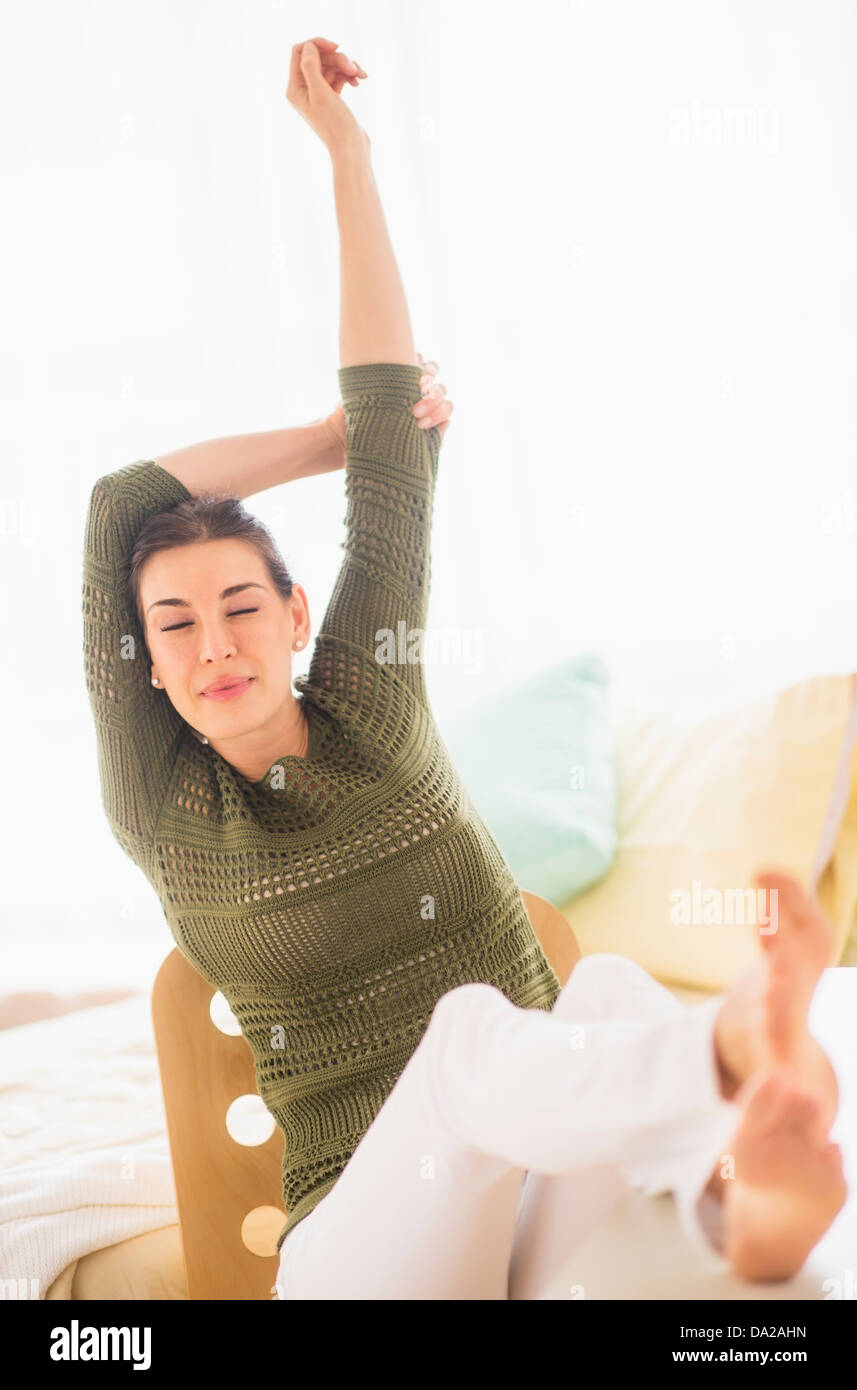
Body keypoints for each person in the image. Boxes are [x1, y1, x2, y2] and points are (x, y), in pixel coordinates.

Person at [82, 35, 846, 1301]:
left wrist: (348, 153)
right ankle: (727, 1050)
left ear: (296, 612)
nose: (212, 643)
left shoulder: (370, 699)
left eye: (238, 605)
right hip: (364, 1250)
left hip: (535, 1210)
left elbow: (394, 419)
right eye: (174, 624)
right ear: (147, 665)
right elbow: (120, 506)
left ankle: (748, 1237)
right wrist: (320, 441)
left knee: (599, 984)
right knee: (467, 1045)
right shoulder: (162, 810)